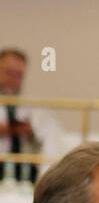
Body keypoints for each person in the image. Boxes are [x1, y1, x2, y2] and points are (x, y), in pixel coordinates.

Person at [0, 48, 61, 185]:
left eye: (18, 75)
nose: (13, 79)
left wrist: (31, 132)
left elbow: (49, 139)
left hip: (23, 173)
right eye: (8, 73)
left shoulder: (33, 107)